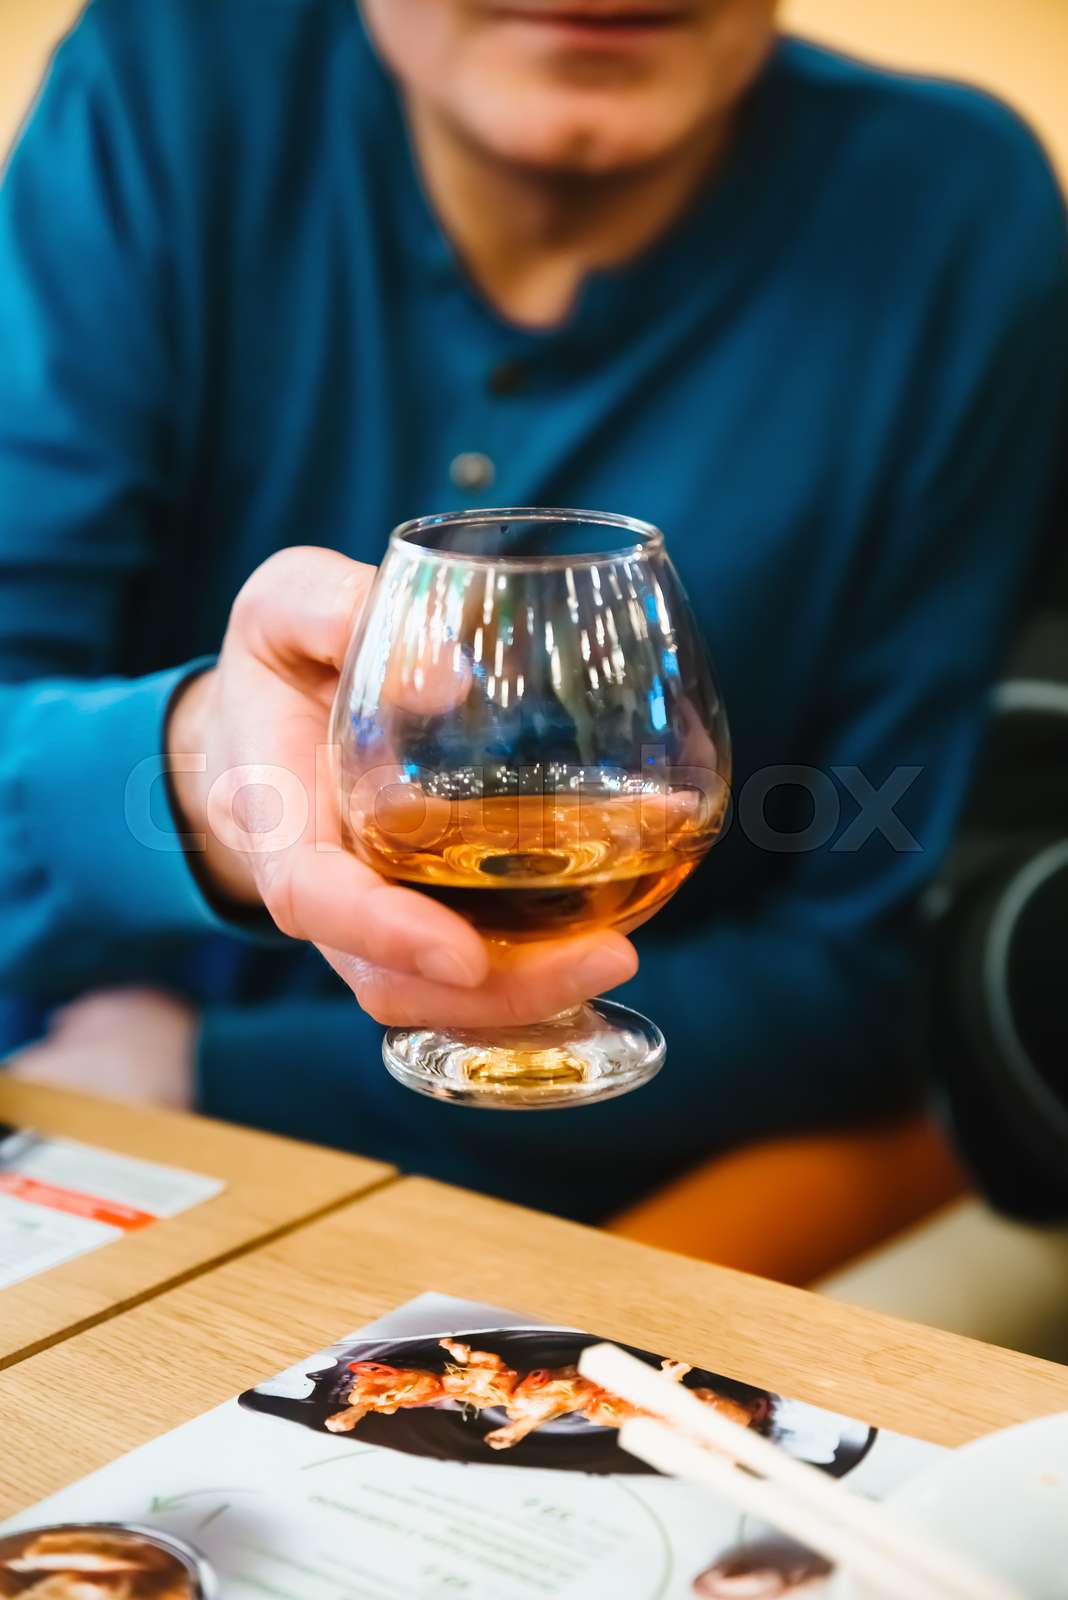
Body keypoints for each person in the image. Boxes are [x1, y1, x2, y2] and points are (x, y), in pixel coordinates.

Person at [1, 0, 1066, 1224]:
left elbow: (883, 966)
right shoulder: (164, 89)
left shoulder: (950, 211)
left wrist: (218, 1074)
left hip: (587, 1206)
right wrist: (199, 770)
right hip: (76, 1119)